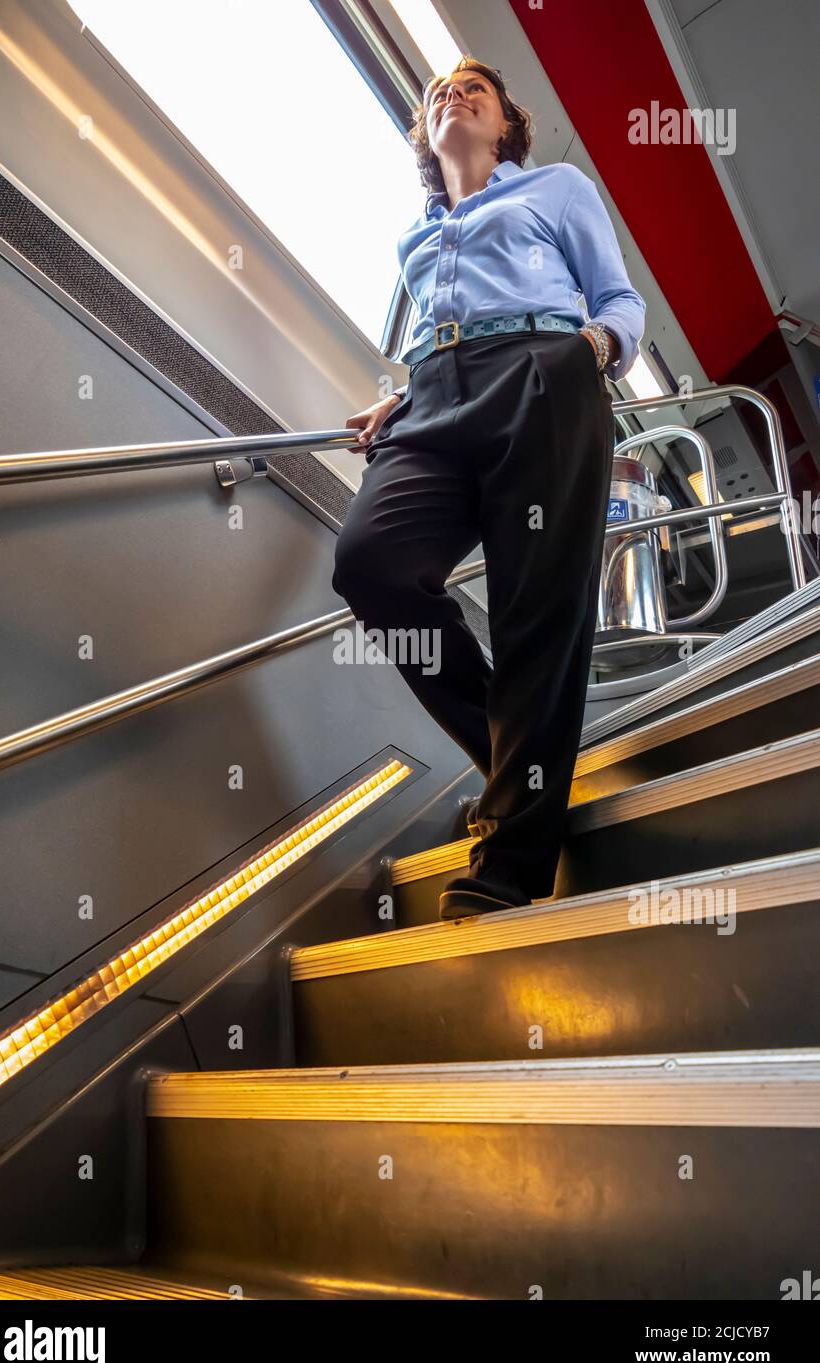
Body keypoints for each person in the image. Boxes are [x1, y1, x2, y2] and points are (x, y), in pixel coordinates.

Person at [332, 55, 646, 921]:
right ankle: (526, 768)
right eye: (439, 92)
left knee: (535, 610)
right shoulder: (415, 239)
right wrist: (403, 393)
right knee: (372, 566)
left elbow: (619, 299)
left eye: (475, 88)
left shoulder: (556, 188)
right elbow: (449, 331)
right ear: (426, 137)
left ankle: (507, 868)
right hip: (433, 397)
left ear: (506, 122)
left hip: (545, 373)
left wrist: (589, 353)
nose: (453, 94)